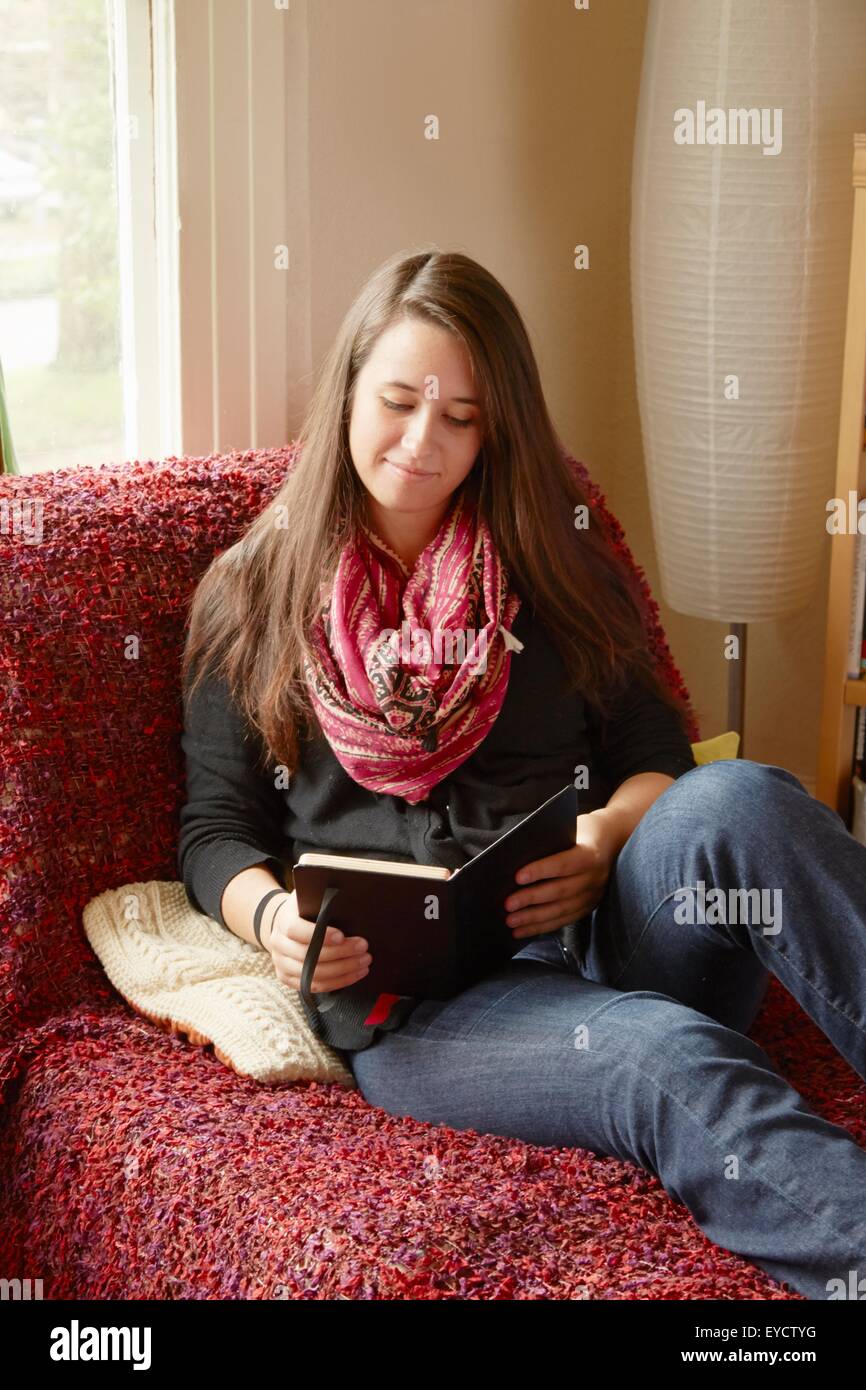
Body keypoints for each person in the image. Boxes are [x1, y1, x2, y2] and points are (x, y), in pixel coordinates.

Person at [178, 247, 866, 1302]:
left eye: (459, 417)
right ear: (349, 388)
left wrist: (601, 842)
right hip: (422, 1007)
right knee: (661, 1054)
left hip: (606, 928)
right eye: (399, 400)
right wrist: (270, 918)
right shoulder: (250, 590)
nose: (421, 441)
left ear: (495, 426)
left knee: (744, 796)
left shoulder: (549, 558)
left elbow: (653, 751)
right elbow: (215, 830)